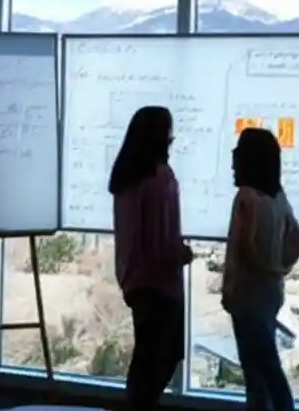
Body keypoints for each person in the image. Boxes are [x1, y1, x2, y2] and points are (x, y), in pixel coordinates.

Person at [110, 106, 194, 408]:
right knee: (159, 359)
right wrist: (181, 254)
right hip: (160, 282)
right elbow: (161, 241)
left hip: (134, 279)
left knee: (146, 358)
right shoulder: (160, 179)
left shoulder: (126, 179)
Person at [222, 128, 299, 411]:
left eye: (238, 153)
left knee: (259, 371)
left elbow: (242, 246)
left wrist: (233, 285)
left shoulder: (245, 198)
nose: (233, 159)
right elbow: (297, 241)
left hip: (247, 294)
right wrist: (280, 267)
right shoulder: (278, 197)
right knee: (267, 364)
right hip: (271, 292)